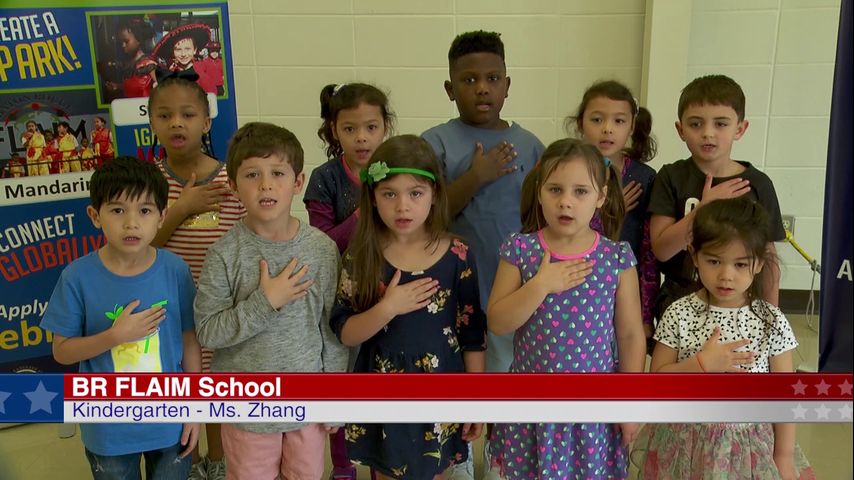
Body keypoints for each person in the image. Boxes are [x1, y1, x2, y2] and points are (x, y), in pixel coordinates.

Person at [422, 31, 545, 478]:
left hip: (512, 290)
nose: (482, 88)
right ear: (450, 88)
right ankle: (456, 467)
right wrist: (477, 176)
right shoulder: (434, 143)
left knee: (504, 387)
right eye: (469, 79)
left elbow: (545, 218)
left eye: (492, 78)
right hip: (451, 290)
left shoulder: (530, 146)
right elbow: (424, 213)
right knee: (457, 386)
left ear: (508, 85)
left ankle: (500, 467)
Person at [194, 122, 347, 480]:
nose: (265, 184)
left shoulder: (321, 250)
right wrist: (266, 302)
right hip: (247, 410)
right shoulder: (223, 254)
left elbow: (332, 331)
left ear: (297, 182)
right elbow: (207, 332)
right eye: (251, 174)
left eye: (277, 172)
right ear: (233, 186)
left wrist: (334, 397)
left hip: (305, 406)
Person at [487, 138, 646, 479]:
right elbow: (498, 322)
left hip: (593, 406)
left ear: (600, 197)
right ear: (540, 191)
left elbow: (632, 335)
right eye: (555, 189)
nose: (566, 202)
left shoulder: (616, 258)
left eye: (580, 192)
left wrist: (631, 404)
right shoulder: (520, 250)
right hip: (531, 402)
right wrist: (540, 285)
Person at [330, 135, 487, 480]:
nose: (403, 206)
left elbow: (473, 335)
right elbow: (344, 330)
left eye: (415, 193)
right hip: (383, 393)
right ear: (373, 197)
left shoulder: (458, 255)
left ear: (433, 196)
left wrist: (477, 401)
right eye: (390, 194)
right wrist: (388, 308)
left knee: (434, 470)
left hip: (442, 390)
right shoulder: (362, 255)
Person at [40, 155, 201, 479]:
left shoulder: (175, 269)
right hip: (108, 430)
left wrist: (194, 407)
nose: (131, 223)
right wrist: (114, 336)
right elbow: (62, 350)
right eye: (117, 210)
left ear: (161, 215)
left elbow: (189, 338)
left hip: (169, 421)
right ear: (95, 215)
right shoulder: (77, 277)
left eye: (144, 210)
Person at [631, 196, 815, 479]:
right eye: (714, 261)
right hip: (685, 444)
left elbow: (785, 394)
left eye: (740, 264)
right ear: (694, 255)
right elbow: (658, 383)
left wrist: (784, 455)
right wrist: (700, 364)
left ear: (758, 264)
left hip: (748, 449)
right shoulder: (679, 313)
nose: (726, 275)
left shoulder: (771, 320)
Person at [146, 69, 242, 480]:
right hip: (168, 308)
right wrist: (182, 209)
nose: (176, 124)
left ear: (206, 121)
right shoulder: (149, 182)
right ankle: (191, 460)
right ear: (151, 123)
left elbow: (244, 241)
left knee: (214, 383)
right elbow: (141, 245)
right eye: (164, 116)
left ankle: (219, 461)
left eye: (187, 115)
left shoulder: (230, 179)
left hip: (218, 308)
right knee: (183, 385)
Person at [306, 82, 394, 480]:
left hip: (390, 291)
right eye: (350, 129)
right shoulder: (324, 179)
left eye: (371, 128)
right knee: (342, 383)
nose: (362, 138)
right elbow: (321, 244)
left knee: (381, 381)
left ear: (385, 127)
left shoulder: (396, 169)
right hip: (339, 297)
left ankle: (383, 458)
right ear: (333, 130)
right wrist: (362, 213)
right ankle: (342, 466)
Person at [649, 74, 785, 320]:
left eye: (721, 124)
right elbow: (661, 250)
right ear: (680, 130)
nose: (708, 134)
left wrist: (772, 317)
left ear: (740, 129)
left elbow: (768, 258)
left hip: (741, 301)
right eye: (696, 124)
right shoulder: (671, 177)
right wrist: (703, 209)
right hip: (681, 297)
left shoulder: (758, 184)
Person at [570, 80, 659, 343]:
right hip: (578, 288)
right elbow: (556, 231)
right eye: (597, 119)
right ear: (580, 123)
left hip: (625, 293)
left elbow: (648, 254)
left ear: (632, 125)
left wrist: (644, 316)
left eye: (619, 121)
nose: (607, 129)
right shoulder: (568, 171)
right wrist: (606, 213)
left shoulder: (643, 177)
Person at [152, 23, 218, 94]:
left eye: (187, 49)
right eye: (178, 49)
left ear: (195, 50)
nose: (183, 54)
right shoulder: (170, 74)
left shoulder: (203, 78)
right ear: (172, 52)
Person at [116, 17, 158, 98]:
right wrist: (118, 86)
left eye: (126, 41)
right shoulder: (129, 63)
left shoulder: (148, 64)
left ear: (139, 39)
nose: (123, 45)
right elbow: (133, 86)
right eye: (120, 42)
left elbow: (164, 87)